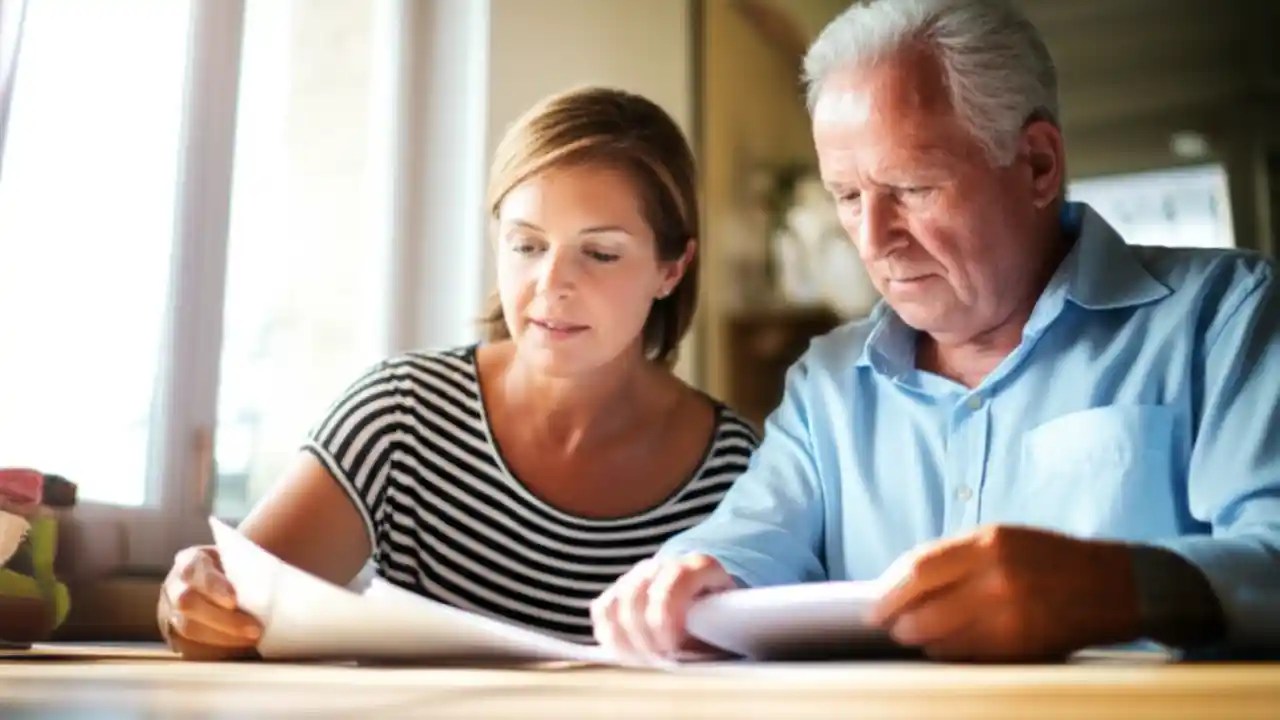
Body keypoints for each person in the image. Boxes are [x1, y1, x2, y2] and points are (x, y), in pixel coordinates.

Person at [592, 0, 1280, 663]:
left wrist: (1115, 587)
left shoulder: (1225, 317)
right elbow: (746, 542)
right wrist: (687, 580)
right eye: (849, 197)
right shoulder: (828, 385)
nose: (875, 241)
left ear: (1038, 164)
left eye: (913, 188)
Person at [157, 87, 759, 659]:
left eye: (599, 253)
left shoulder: (741, 469)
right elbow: (225, 611)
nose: (551, 285)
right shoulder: (400, 416)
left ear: (672, 269)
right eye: (526, 245)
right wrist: (189, 605)